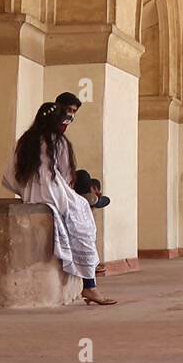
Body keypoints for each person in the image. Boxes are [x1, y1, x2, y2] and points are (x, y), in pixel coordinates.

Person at [2, 102, 116, 305]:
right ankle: (90, 286)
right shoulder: (57, 141)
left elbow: (11, 176)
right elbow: (65, 173)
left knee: (79, 210)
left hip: (31, 193)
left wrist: (26, 191)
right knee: (83, 219)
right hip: (54, 191)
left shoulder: (25, 141)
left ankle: (92, 201)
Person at [55, 91, 108, 274]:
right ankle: (89, 278)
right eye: (68, 110)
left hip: (62, 184)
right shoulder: (51, 139)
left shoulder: (59, 138)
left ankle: (90, 197)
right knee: (83, 217)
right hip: (52, 188)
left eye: (73, 111)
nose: (70, 115)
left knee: (85, 177)